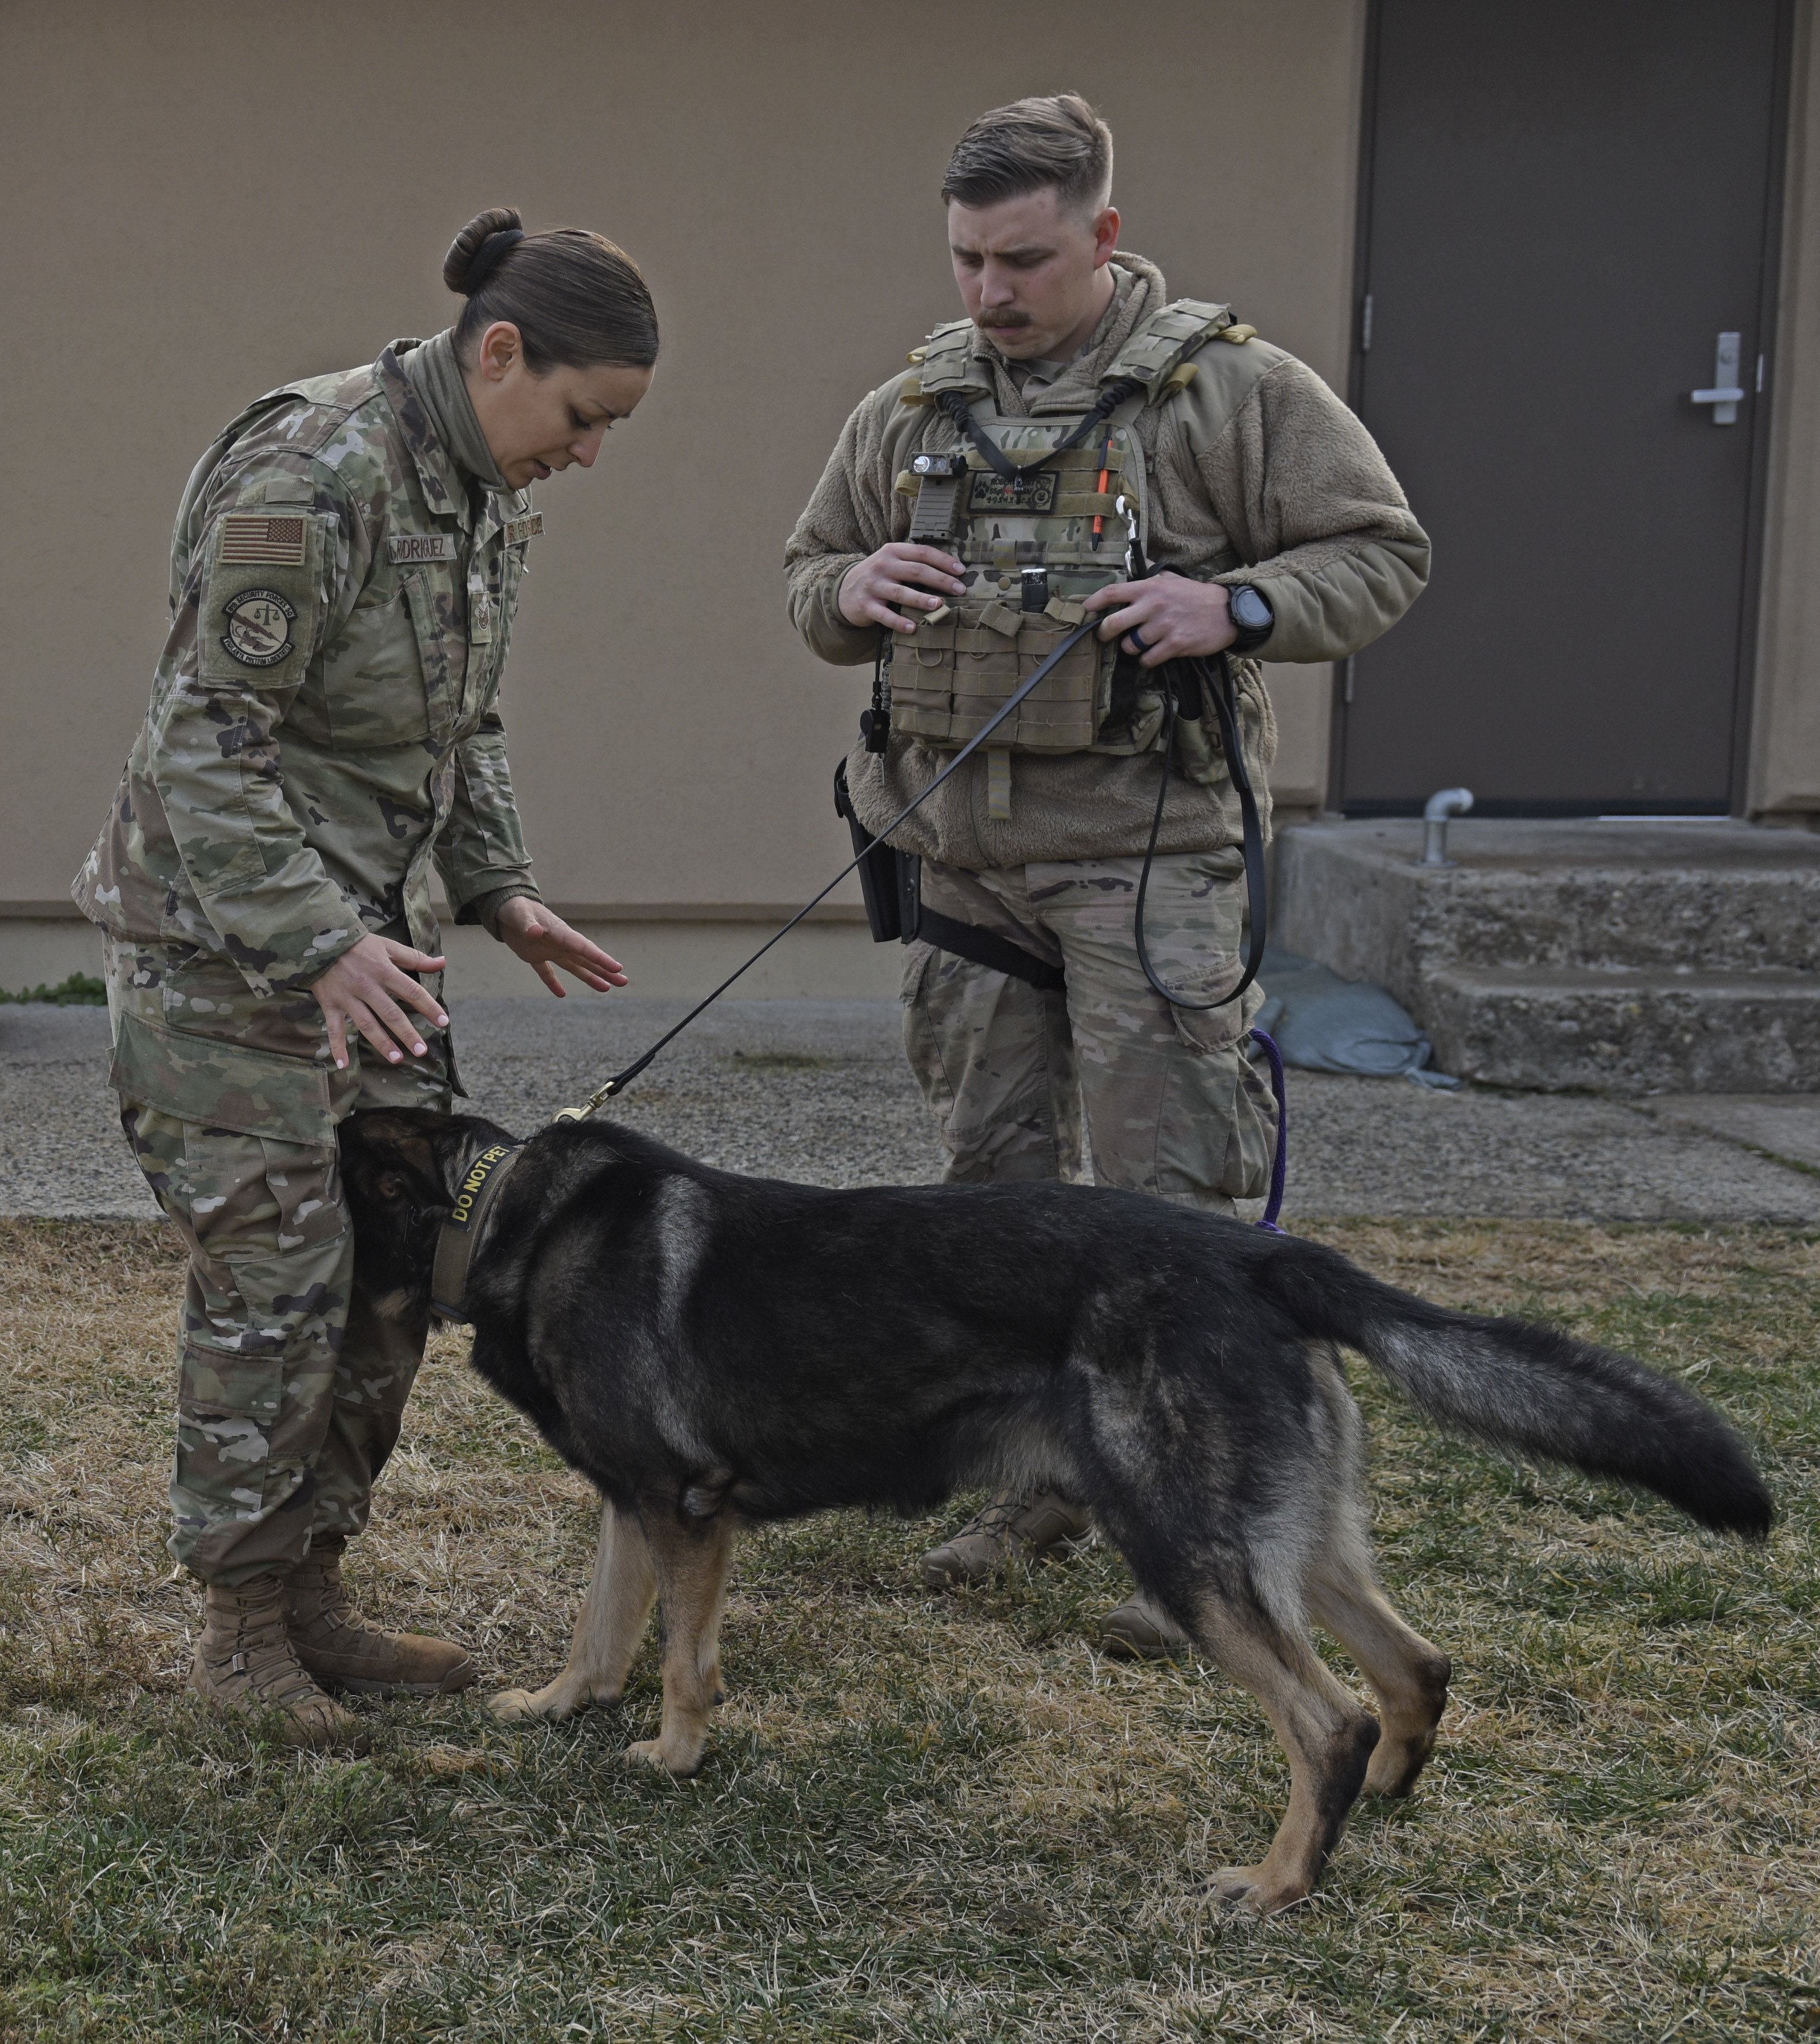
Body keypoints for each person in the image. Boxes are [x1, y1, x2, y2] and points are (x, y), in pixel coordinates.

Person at [781, 94, 1428, 1657]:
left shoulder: (1230, 393)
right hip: (964, 863)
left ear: (1103, 238)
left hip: (1146, 860)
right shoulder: (909, 409)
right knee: (992, 1204)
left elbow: (1381, 554)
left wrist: (1241, 610)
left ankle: (1204, 1538)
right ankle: (1040, 1485)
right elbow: (808, 580)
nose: (990, 293)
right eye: (965, 260)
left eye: (1024, 259)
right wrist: (852, 588)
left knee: (1166, 1213)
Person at [75, 208, 654, 1739]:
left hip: (360, 945)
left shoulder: (477, 491)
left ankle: (314, 1582)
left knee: (397, 1260)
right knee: (275, 1279)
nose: (589, 455)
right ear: (500, 352)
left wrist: (499, 886)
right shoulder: (312, 476)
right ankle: (240, 1619)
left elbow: (458, 723)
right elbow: (202, 740)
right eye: (582, 417)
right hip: (225, 948)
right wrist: (318, 942)